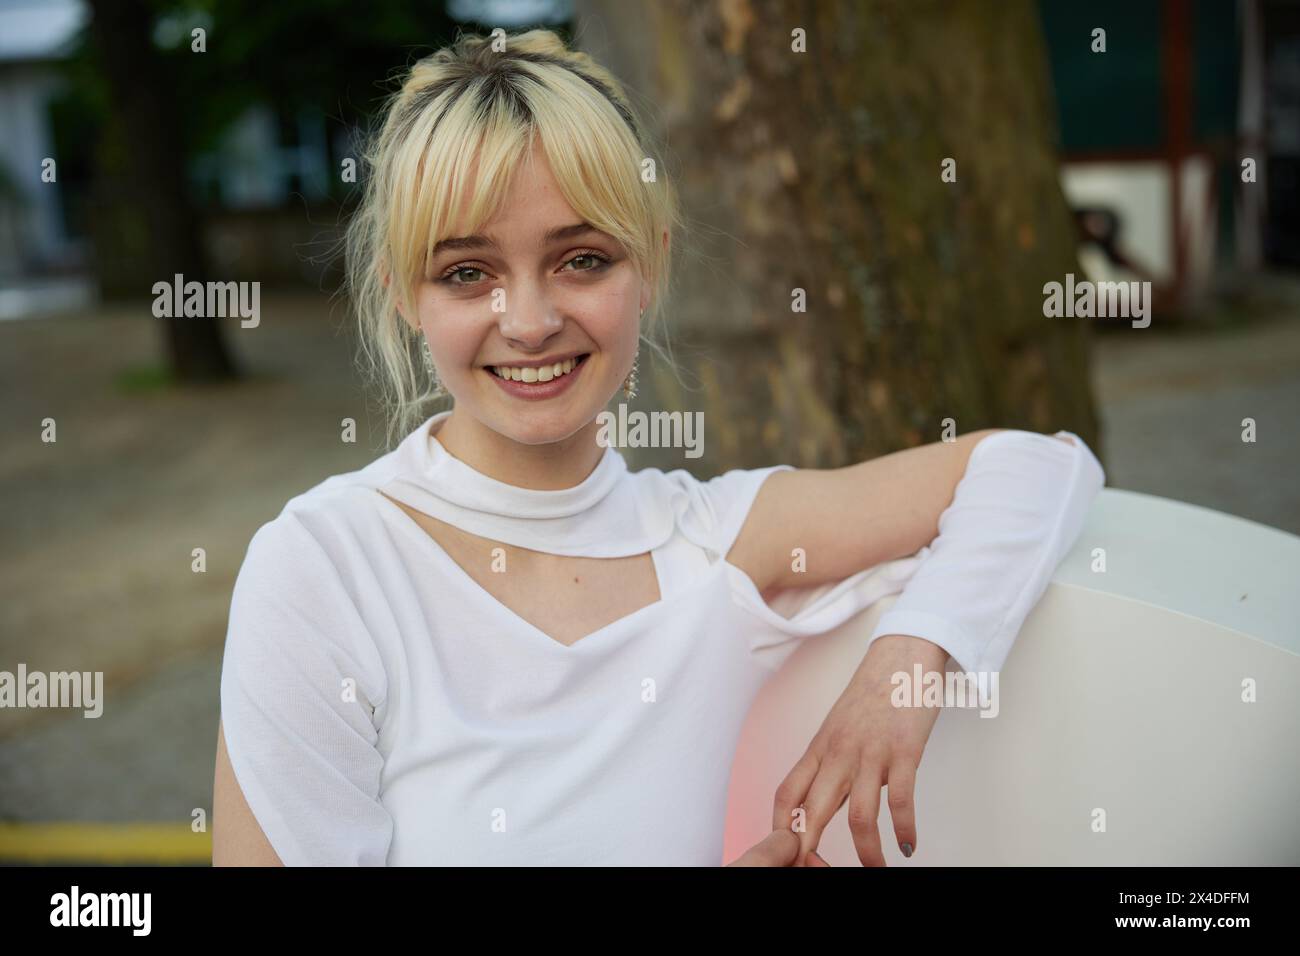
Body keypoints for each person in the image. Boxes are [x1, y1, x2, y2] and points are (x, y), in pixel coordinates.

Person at [212, 29, 1105, 867]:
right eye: (467, 273)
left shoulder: (712, 540)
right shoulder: (324, 567)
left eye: (582, 260)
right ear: (405, 296)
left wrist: (905, 668)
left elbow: (1035, 465)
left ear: (650, 268)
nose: (528, 321)